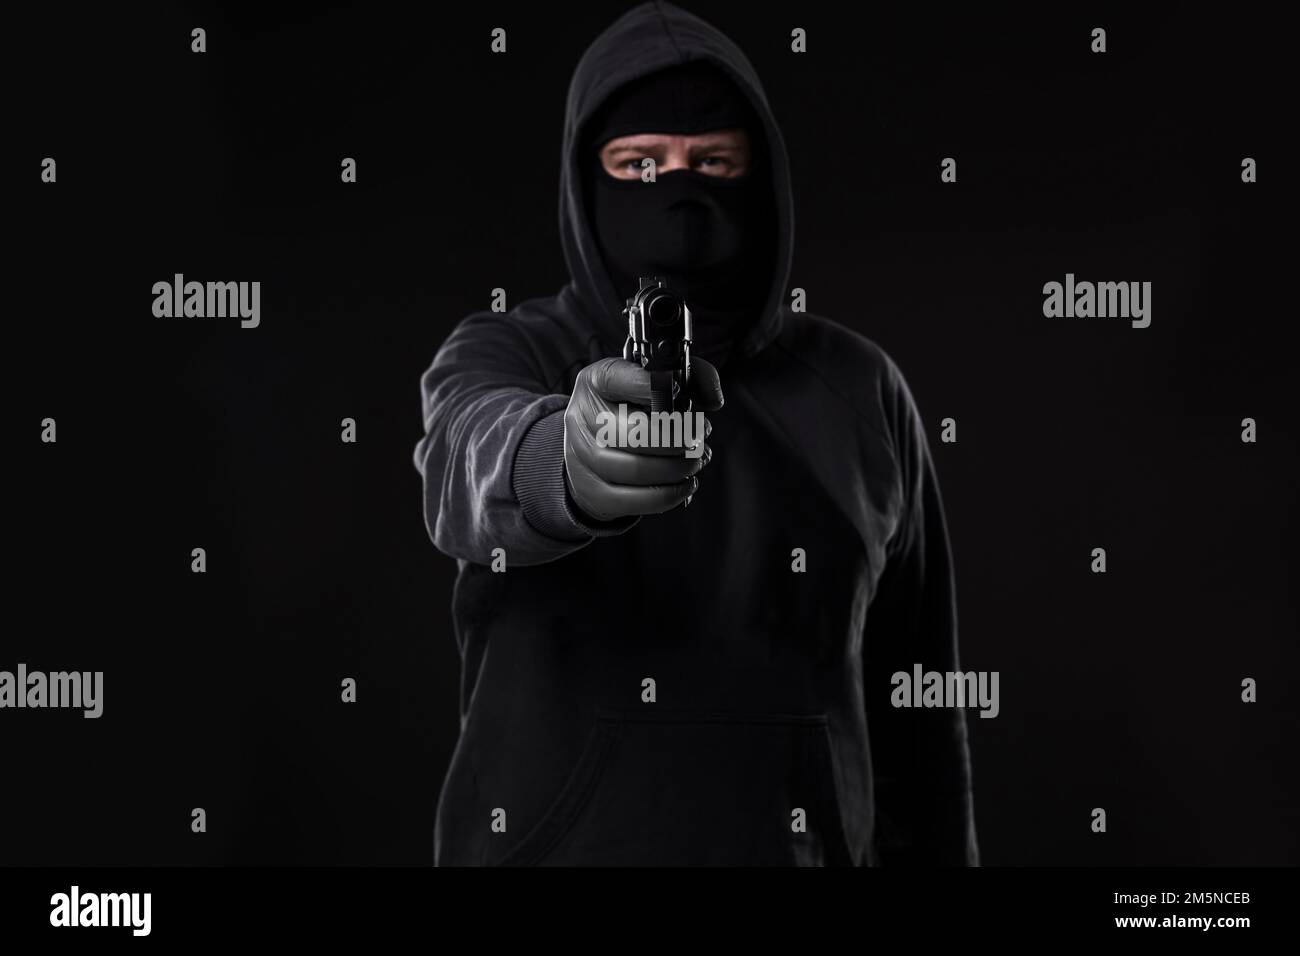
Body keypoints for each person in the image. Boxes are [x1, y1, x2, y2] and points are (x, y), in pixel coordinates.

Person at [413, 0, 979, 866]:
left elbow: (922, 719)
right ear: (585, 176)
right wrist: (560, 460)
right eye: (639, 164)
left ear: (763, 178)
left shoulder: (862, 388)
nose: (677, 191)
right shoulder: (511, 351)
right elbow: (465, 458)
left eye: (712, 161)